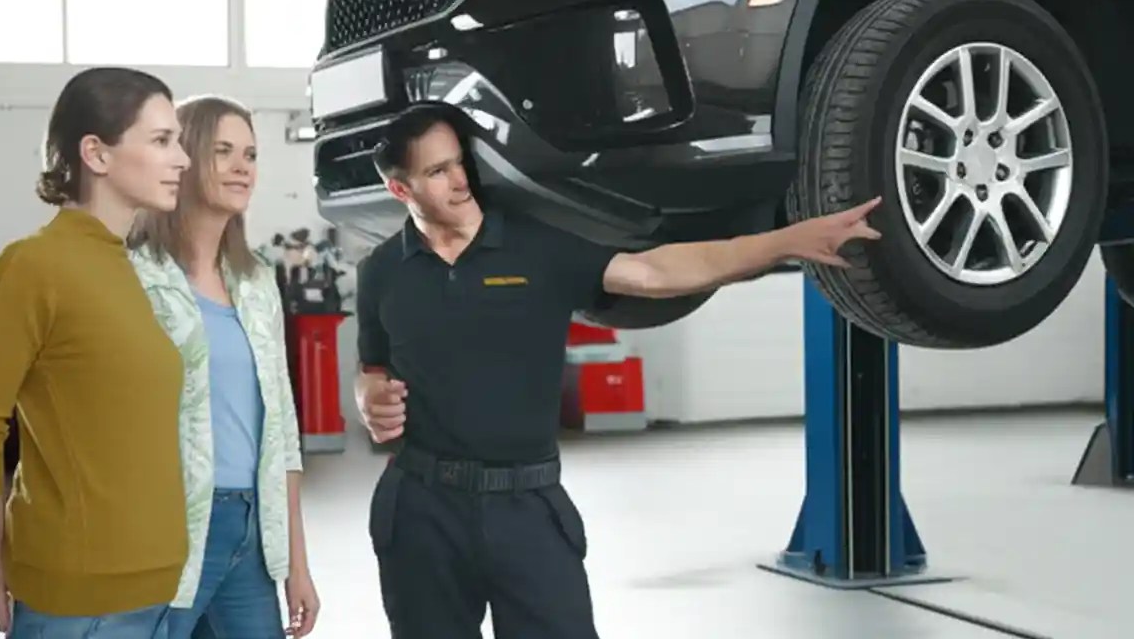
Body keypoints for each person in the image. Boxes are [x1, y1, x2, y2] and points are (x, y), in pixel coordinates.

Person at [353, 103, 883, 639]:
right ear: (402, 190)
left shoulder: (535, 247)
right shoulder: (381, 272)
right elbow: (371, 364)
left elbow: (654, 271)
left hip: (527, 505)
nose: (460, 179)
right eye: (437, 171)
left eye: (458, 161)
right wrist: (367, 394)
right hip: (422, 508)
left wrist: (785, 242)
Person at [0, 66, 193, 637]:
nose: (182, 159)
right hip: (80, 601)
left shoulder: (123, 265)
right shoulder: (33, 267)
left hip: (154, 587)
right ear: (96, 154)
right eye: (161, 141)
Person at [128, 95, 319, 638]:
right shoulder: (136, 277)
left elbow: (281, 432)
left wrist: (295, 564)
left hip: (251, 532)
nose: (243, 167)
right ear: (183, 159)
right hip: (169, 530)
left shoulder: (257, 283)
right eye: (224, 152)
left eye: (251, 154)